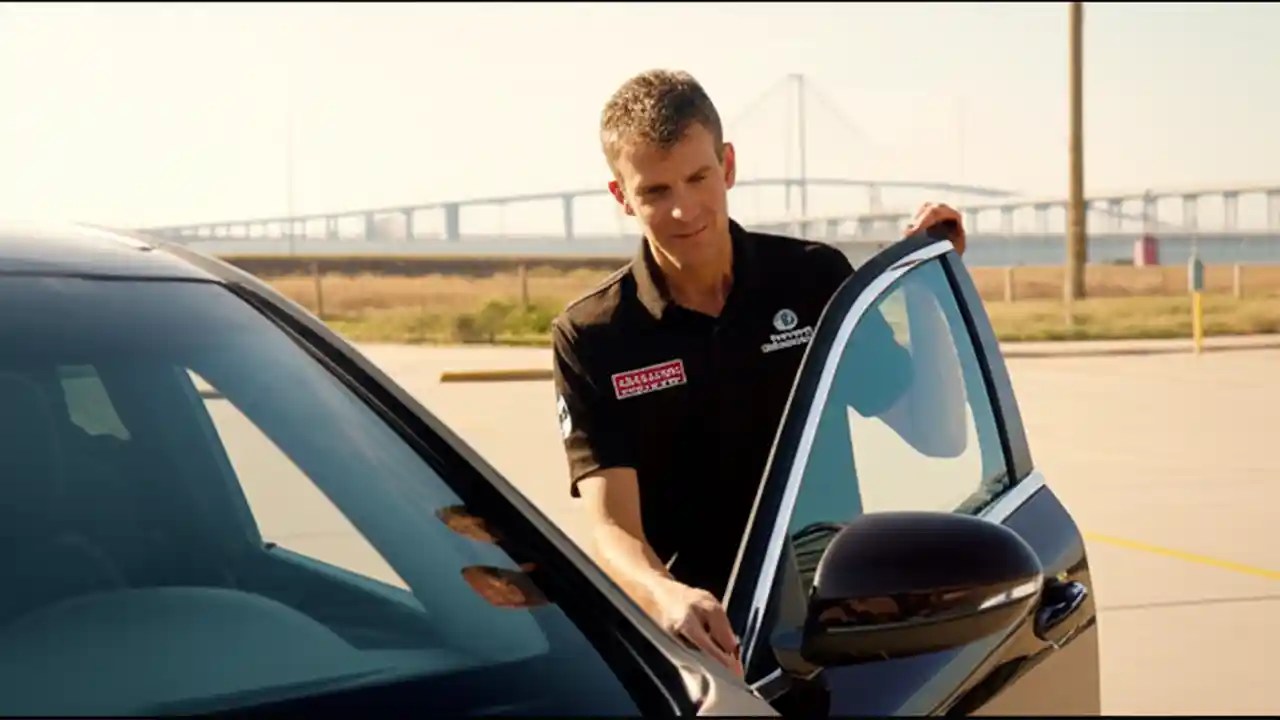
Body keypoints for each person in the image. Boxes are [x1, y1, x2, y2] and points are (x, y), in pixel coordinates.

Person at [550, 69, 966, 678]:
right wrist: (669, 597)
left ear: (729, 165)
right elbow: (613, 529)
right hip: (701, 653)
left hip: (828, 637)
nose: (684, 209)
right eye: (656, 190)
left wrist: (927, 282)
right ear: (621, 197)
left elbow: (939, 434)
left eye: (698, 178)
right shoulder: (593, 336)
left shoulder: (813, 279)